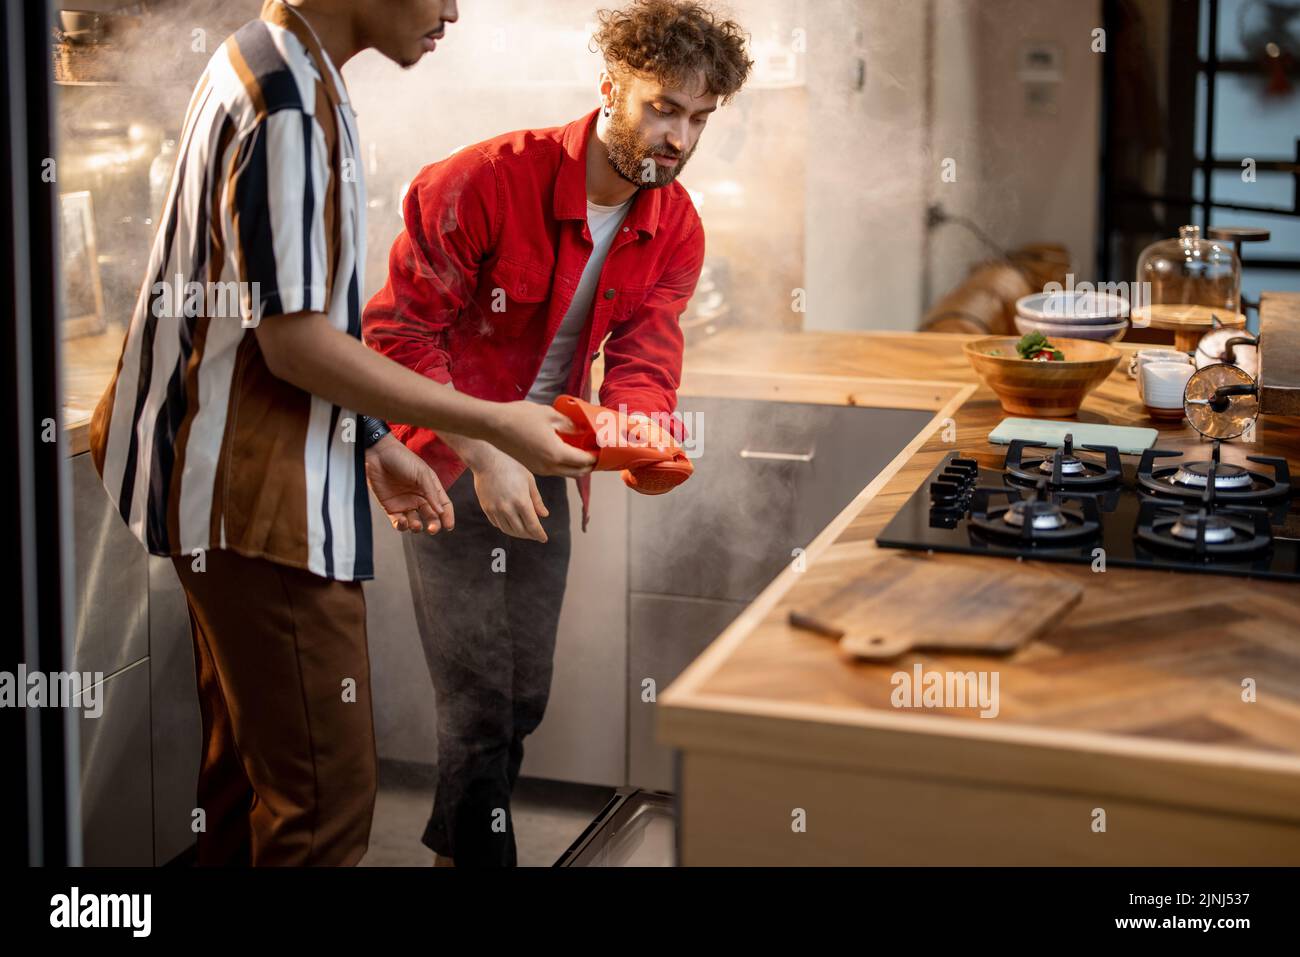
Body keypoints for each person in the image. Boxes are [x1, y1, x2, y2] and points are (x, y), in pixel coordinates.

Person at [88, 0, 594, 866]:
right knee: (323, 803)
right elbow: (296, 346)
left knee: (244, 781)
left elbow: (280, 311)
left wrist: (371, 440)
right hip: (253, 492)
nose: (453, 11)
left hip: (206, 467)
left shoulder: (275, 64)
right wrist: (492, 423)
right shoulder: (291, 101)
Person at [363, 0, 753, 867]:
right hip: (444, 454)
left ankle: (455, 854)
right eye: (663, 107)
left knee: (521, 693)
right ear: (611, 86)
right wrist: (482, 448)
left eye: (698, 118)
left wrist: (640, 439)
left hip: (545, 461)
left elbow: (646, 357)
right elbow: (396, 336)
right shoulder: (479, 181)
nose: (678, 137)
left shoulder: (675, 222)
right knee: (477, 699)